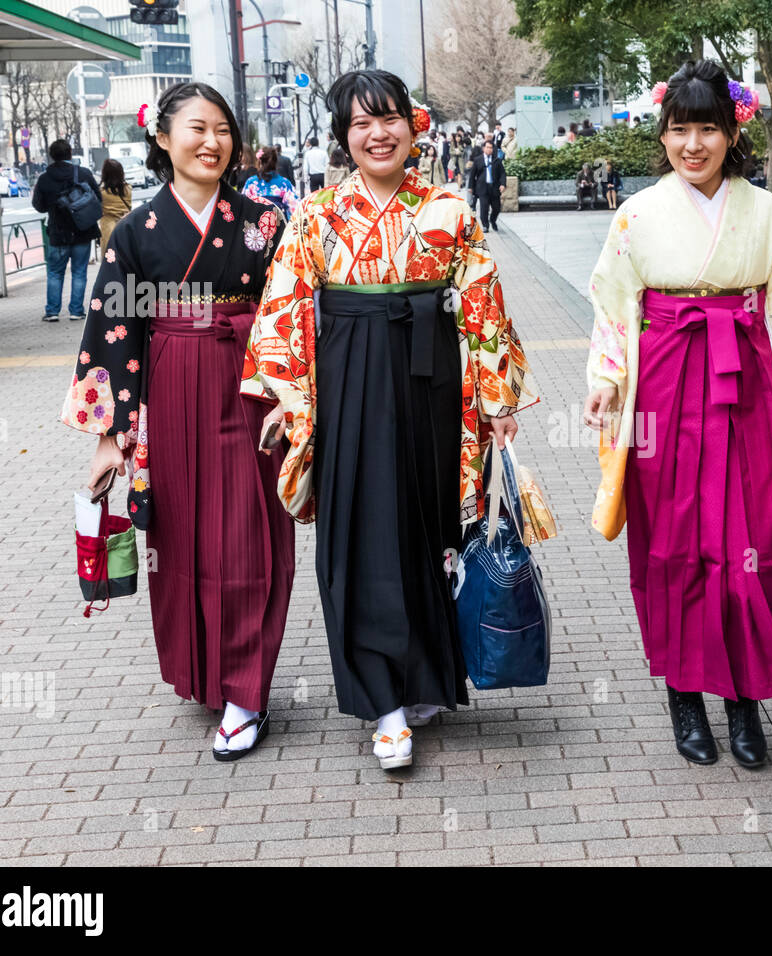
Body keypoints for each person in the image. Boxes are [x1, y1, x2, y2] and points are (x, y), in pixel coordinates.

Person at [244, 69, 537, 771]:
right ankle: (382, 703)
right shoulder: (314, 215)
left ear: (413, 124)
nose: (379, 134)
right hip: (347, 376)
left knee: (432, 526)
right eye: (361, 123)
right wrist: (288, 399)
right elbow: (284, 304)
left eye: (390, 118)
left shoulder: (448, 209)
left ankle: (428, 678)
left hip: (434, 377)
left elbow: (484, 307)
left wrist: (496, 404)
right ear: (343, 137)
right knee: (361, 533)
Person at [583, 59, 772, 770]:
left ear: (733, 133)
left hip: (747, 386)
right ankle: (685, 692)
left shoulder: (766, 213)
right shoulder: (636, 215)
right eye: (680, 130)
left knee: (751, 541)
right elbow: (613, 306)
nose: (693, 144)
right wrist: (607, 380)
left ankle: (744, 698)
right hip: (663, 384)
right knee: (671, 542)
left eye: (708, 129)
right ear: (662, 136)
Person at [60, 81, 295, 761]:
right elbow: (114, 328)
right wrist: (111, 436)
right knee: (182, 539)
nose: (212, 141)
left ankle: (246, 693)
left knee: (250, 536)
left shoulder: (264, 223)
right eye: (196, 128)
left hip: (250, 386)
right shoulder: (137, 232)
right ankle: (202, 672)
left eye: (223, 129)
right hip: (168, 387)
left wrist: (291, 398)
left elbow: (290, 317)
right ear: (162, 139)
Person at [32, 139, 100, 322]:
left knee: (55, 273)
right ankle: (76, 311)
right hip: (83, 231)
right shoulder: (84, 174)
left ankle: (52, 312)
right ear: (70, 153)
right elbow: (98, 198)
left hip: (58, 232)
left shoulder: (45, 179)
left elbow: (38, 206)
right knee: (79, 272)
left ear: (52, 156)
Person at [242, 146, 298, 218]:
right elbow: (294, 209)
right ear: (275, 162)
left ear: (259, 162)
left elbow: (244, 207)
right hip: (277, 225)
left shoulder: (251, 183)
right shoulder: (284, 183)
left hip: (256, 224)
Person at [97, 158, 133, 257]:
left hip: (108, 229)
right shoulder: (128, 189)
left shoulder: (102, 193)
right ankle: (130, 274)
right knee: (128, 263)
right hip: (125, 227)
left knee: (110, 262)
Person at [470, 138, 506, 231]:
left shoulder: (497, 160)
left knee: (497, 208)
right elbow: (472, 174)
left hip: (494, 188)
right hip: (482, 188)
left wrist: (503, 184)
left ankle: (493, 220)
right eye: (487, 147)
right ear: (483, 148)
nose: (489, 149)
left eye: (491, 148)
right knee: (484, 208)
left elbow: (502, 173)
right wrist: (471, 187)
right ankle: (485, 225)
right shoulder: (478, 160)